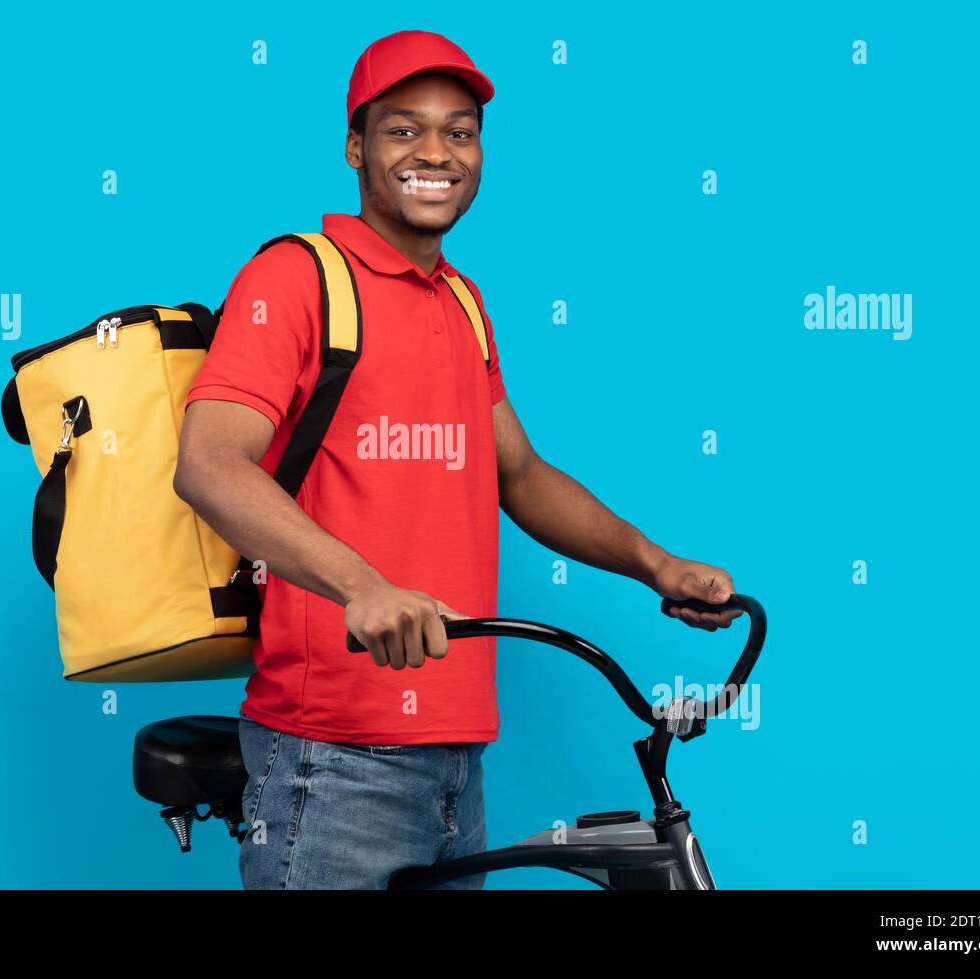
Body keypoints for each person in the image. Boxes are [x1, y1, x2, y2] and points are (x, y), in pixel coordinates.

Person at [173, 29, 742, 890]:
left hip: (456, 753)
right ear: (356, 147)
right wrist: (363, 586)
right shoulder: (296, 280)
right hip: (332, 757)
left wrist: (656, 565)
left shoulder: (464, 302)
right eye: (404, 129)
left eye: (460, 131)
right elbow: (209, 463)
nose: (436, 152)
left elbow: (521, 475)